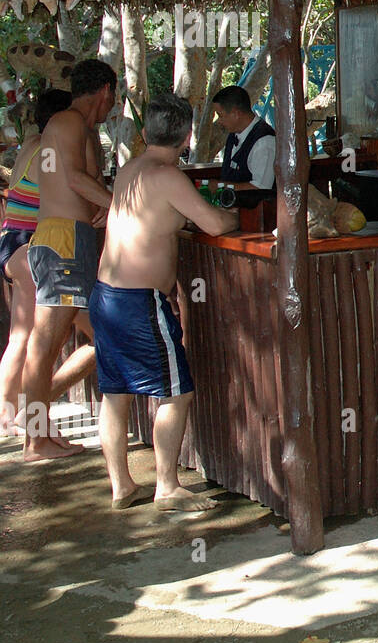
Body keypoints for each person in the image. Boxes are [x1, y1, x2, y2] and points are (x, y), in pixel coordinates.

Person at [91, 93, 237, 511]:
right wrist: (232, 217)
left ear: (144, 132)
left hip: (106, 295)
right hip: (139, 302)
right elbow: (212, 223)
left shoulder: (130, 169)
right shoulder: (168, 176)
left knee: (115, 395)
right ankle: (167, 486)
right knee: (176, 394)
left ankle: (121, 486)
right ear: (188, 135)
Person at [21, 59, 116, 460]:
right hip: (62, 240)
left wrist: (99, 206)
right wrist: (118, 206)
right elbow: (75, 178)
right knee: (43, 345)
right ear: (106, 92)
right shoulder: (71, 122)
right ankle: (35, 439)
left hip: (66, 237)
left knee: (105, 338)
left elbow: (71, 181)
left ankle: (35, 424)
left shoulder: (73, 127)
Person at [0, 90, 98, 439]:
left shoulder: (33, 144)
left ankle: (9, 415)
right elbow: (63, 196)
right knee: (93, 333)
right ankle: (25, 414)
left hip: (14, 243)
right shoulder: (48, 150)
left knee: (22, 336)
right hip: (27, 245)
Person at [211, 85, 275, 195]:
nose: (219, 121)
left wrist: (220, 186)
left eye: (220, 115)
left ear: (236, 113)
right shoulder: (233, 135)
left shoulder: (264, 141)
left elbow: (262, 188)